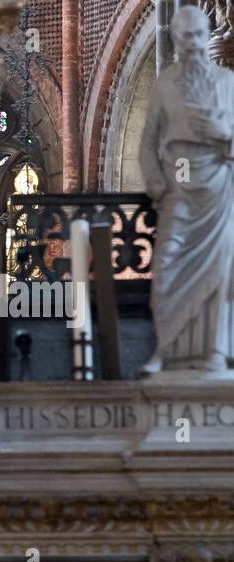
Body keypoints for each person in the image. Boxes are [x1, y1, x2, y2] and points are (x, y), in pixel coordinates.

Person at [138, 4, 234, 374]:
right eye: (185, 36)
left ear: (204, 35)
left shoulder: (227, 83)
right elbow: (148, 142)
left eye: (198, 35)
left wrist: (223, 135)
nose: (193, 43)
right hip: (180, 181)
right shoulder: (166, 85)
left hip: (219, 184)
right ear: (175, 38)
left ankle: (212, 352)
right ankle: (168, 350)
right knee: (167, 267)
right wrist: (158, 185)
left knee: (219, 270)